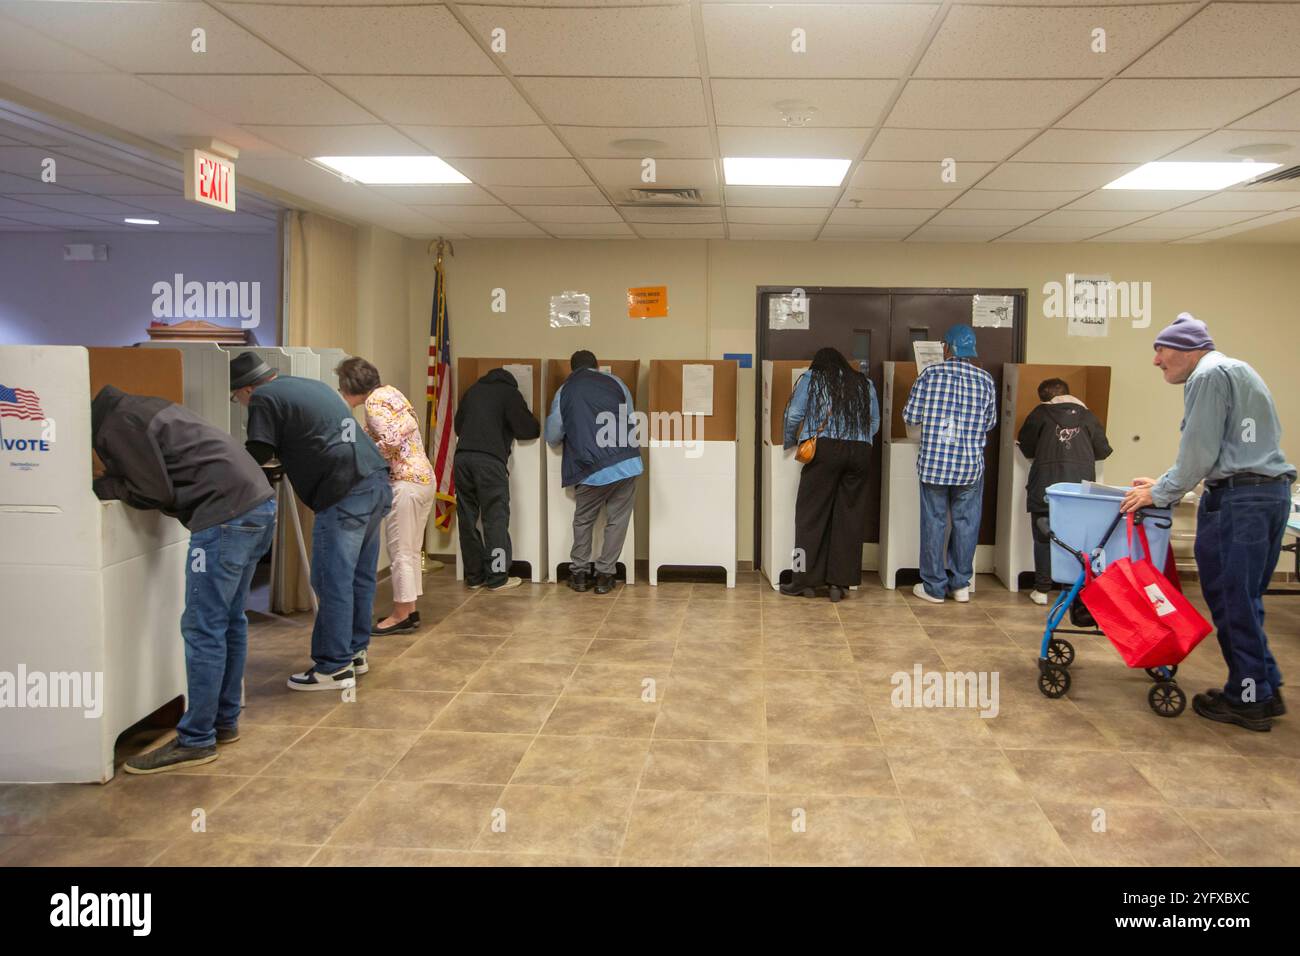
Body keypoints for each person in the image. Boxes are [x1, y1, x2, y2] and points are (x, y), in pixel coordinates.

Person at [1121, 313, 1295, 732]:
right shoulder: (1238, 368)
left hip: (1240, 504)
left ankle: (1247, 701)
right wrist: (1167, 482)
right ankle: (1262, 688)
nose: (1156, 361)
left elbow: (1199, 452)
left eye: (1160, 350)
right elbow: (1227, 451)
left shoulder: (1207, 376)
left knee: (1233, 602)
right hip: (1265, 496)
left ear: (1185, 349)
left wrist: (1160, 493)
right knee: (1245, 599)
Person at [91, 385, 275, 773]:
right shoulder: (143, 404)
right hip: (257, 504)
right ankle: (223, 722)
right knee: (229, 622)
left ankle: (196, 740)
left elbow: (151, 489)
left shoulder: (114, 424)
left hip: (224, 516)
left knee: (203, 627)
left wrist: (103, 484)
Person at [229, 351, 392, 692]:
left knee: (332, 579)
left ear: (246, 390)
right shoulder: (308, 385)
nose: (240, 404)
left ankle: (333, 667)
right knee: (360, 576)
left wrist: (224, 471)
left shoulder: (263, 398)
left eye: (235, 398)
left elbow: (258, 451)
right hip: (374, 481)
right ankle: (355, 652)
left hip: (345, 491)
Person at [336, 357, 436, 635]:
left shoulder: (374, 403)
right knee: (411, 549)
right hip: (423, 478)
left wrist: (365, 457)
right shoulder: (391, 393)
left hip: (404, 483)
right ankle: (410, 609)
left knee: (400, 550)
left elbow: (391, 439)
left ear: (350, 386)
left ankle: (401, 614)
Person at [902, 325, 997, 604]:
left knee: (934, 522)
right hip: (969, 466)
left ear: (947, 347)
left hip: (934, 463)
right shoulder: (985, 379)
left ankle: (933, 587)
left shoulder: (929, 375)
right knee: (966, 524)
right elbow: (990, 422)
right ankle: (960, 585)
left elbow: (910, 415)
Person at [780, 348, 880, 602]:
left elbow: (793, 414)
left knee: (809, 517)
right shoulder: (864, 383)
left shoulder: (811, 378)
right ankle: (839, 583)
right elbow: (875, 422)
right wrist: (858, 438)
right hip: (860, 452)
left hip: (825, 449)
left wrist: (791, 441)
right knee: (849, 518)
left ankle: (803, 580)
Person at [545, 351, 642, 594]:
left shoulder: (564, 390)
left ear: (572, 368)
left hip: (590, 468)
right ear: (597, 366)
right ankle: (605, 576)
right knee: (617, 520)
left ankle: (578, 573)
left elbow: (553, 436)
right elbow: (631, 418)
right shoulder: (617, 382)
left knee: (584, 519)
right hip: (626, 463)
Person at [1017, 378, 1112, 605]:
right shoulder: (1088, 416)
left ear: (1044, 398)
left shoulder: (1040, 413)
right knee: (1078, 537)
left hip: (1046, 485)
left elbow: (1026, 445)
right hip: (1079, 489)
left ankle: (1041, 590)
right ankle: (1072, 587)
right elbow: (1103, 450)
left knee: (1043, 536)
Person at [453, 365, 541, 591]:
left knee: (467, 518)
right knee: (495, 518)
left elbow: (458, 426)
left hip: (462, 459)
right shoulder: (509, 393)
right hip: (489, 462)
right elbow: (528, 429)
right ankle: (498, 576)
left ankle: (474, 576)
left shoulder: (473, 391)